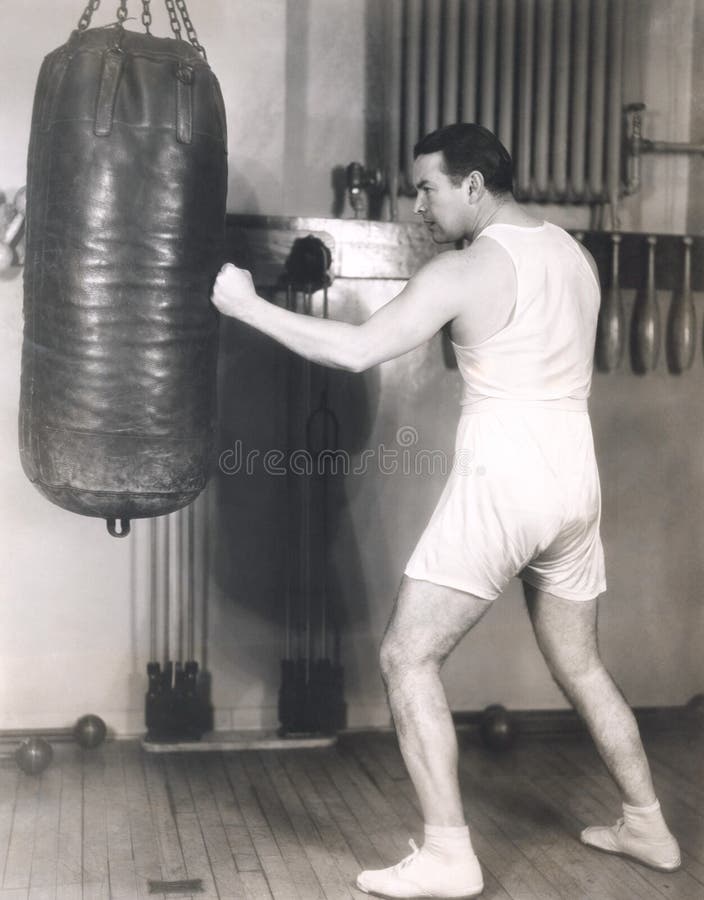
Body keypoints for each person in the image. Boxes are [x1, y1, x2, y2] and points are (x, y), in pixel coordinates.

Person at [211, 123, 680, 899]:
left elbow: (356, 351)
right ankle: (648, 824)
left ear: (473, 185)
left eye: (427, 189)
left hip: (508, 480)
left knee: (408, 656)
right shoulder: (576, 257)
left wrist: (245, 305)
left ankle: (447, 853)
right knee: (582, 664)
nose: (418, 206)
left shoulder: (465, 270)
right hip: (574, 480)